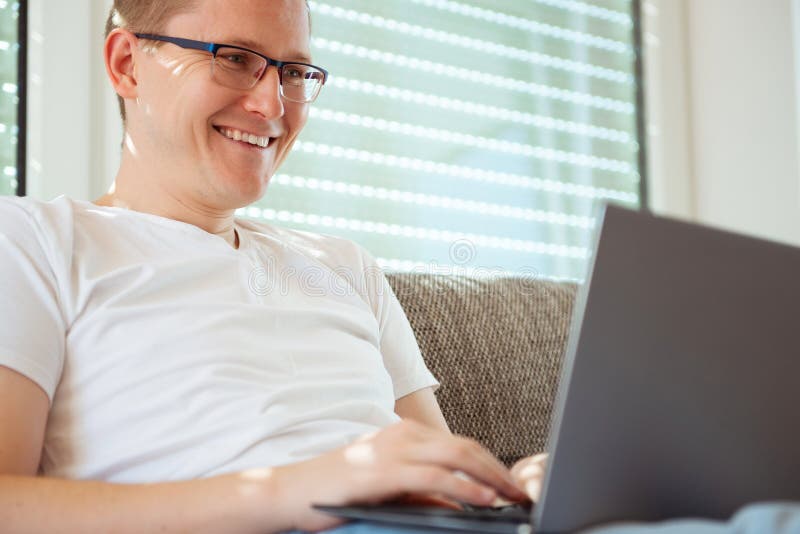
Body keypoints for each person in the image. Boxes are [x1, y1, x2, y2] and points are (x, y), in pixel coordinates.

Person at [0, 0, 545, 532]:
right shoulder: (34, 241)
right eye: (234, 57)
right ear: (128, 64)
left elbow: (440, 470)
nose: (273, 105)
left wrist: (517, 489)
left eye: (293, 72)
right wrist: (292, 490)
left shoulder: (344, 265)